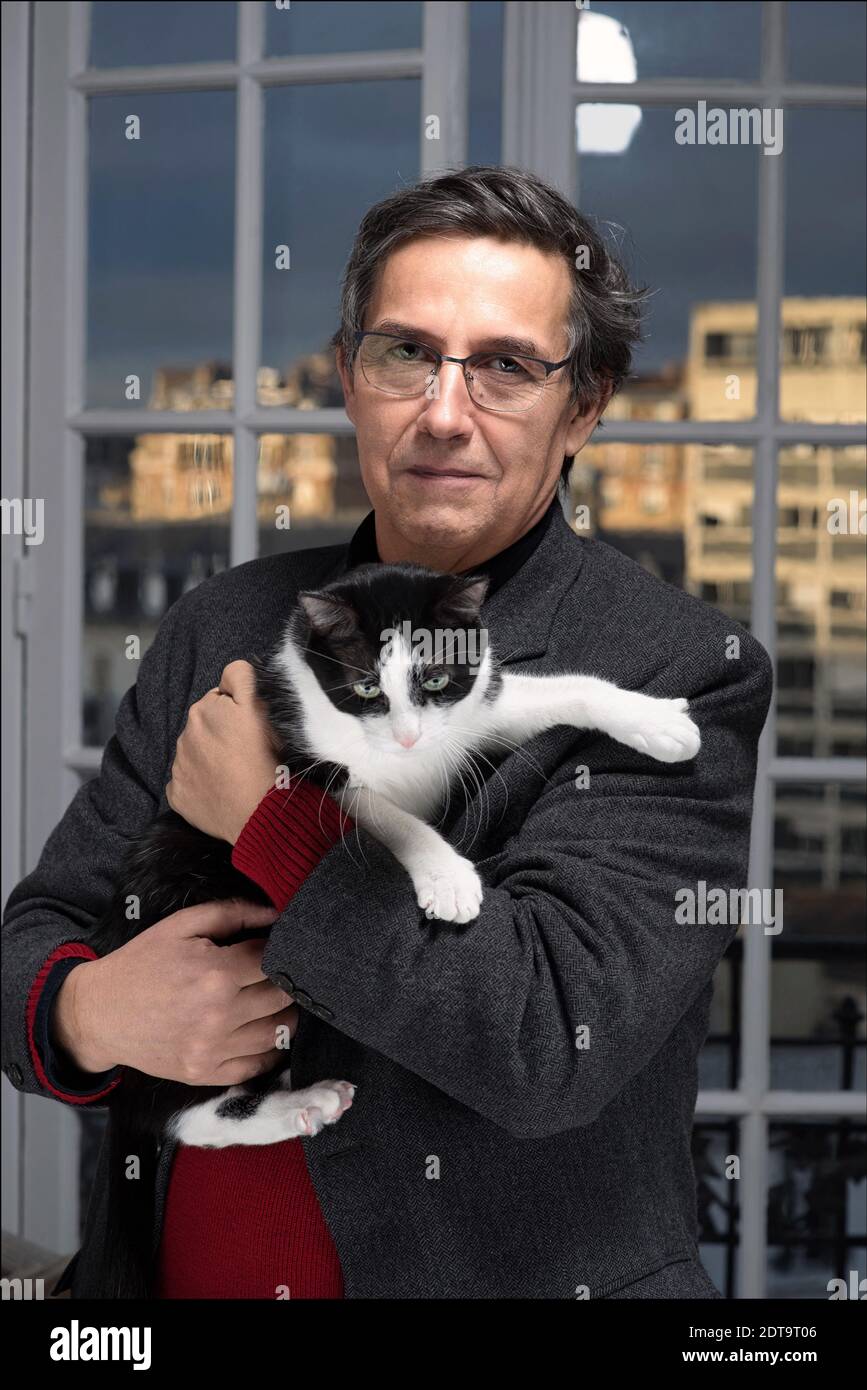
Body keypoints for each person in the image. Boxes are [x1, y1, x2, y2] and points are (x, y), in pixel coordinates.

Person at [1, 165, 771, 1299]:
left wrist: (271, 817)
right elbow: (42, 926)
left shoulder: (674, 670)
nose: (445, 411)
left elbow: (547, 1039)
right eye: (405, 352)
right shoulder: (227, 620)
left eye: (507, 366)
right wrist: (86, 1009)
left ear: (587, 406)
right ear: (349, 379)